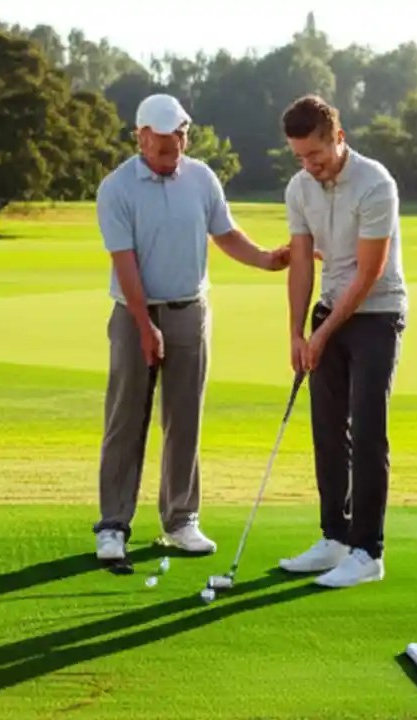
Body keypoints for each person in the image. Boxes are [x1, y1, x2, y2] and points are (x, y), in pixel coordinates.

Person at [93, 93, 291, 567]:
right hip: (134, 311)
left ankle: (181, 520)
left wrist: (266, 259)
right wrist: (145, 326)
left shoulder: (201, 178)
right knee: (126, 420)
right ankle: (113, 525)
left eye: (178, 143)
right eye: (162, 147)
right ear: (141, 138)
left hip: (190, 311)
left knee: (184, 419)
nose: (171, 155)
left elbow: (224, 233)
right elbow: (126, 264)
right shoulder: (116, 188)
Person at [276, 94, 408, 588]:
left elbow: (370, 272)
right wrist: (296, 331)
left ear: (339, 138)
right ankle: (334, 538)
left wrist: (322, 333)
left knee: (368, 430)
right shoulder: (299, 188)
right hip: (330, 308)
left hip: (377, 312)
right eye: (300, 157)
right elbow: (303, 261)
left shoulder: (375, 184)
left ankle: (367, 551)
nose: (310, 166)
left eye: (317, 155)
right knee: (328, 429)